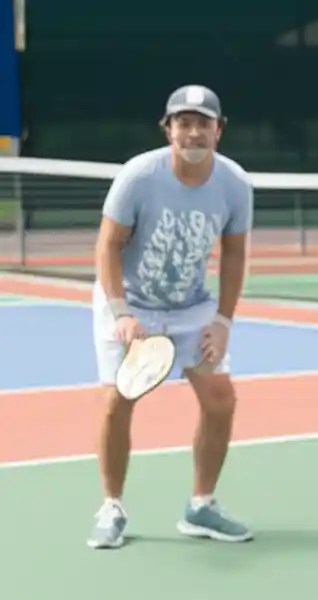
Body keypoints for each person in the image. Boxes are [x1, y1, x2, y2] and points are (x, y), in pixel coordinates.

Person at [87, 84, 255, 550]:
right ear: (168, 129)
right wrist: (121, 313)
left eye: (203, 123)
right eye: (184, 123)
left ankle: (201, 506)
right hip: (129, 303)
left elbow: (236, 254)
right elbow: (108, 245)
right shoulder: (139, 176)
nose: (193, 132)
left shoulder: (235, 183)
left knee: (220, 399)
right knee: (117, 402)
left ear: (219, 131)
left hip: (191, 306)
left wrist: (222, 321)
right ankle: (112, 506)